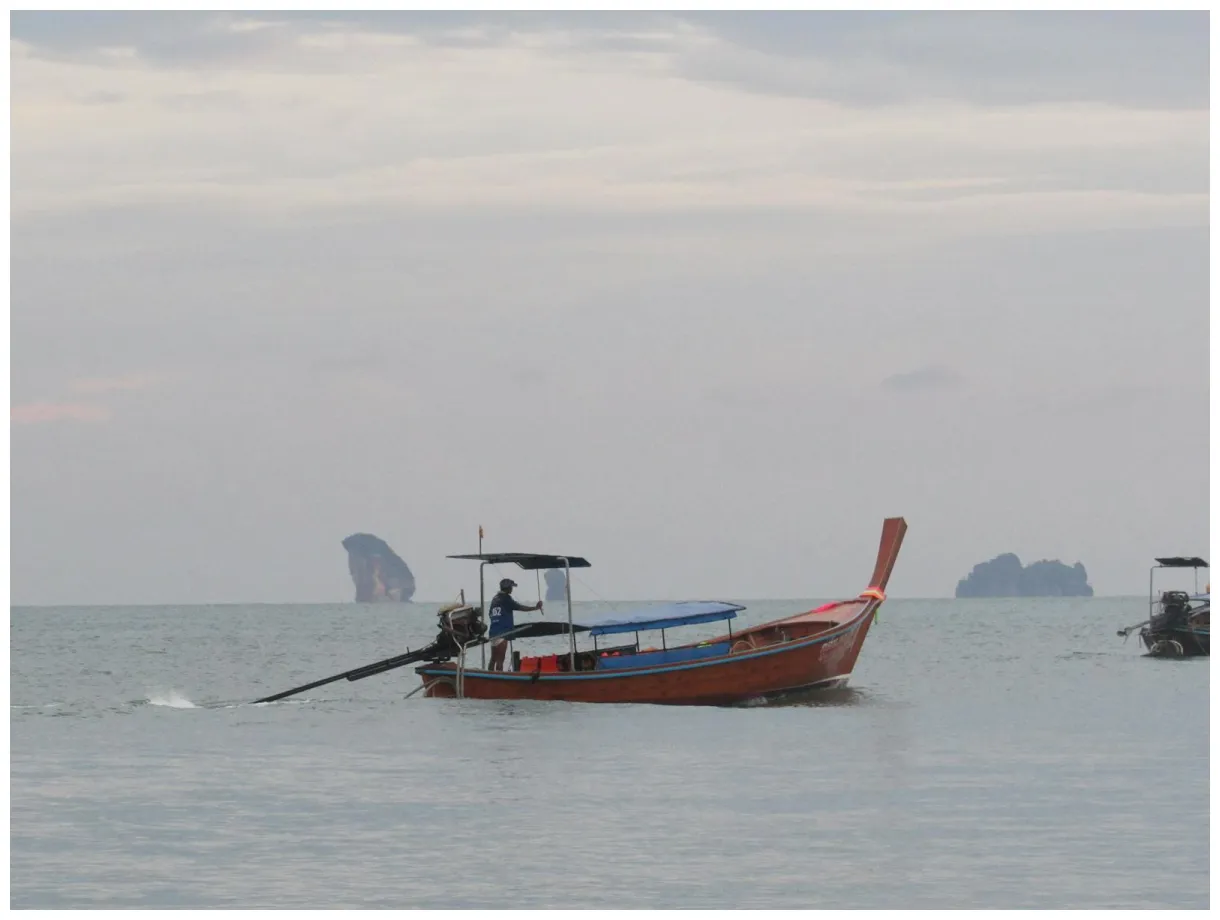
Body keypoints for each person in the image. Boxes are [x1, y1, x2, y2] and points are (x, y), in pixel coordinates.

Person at [487, 578, 542, 671]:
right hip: (502, 633)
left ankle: (488, 677)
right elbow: (520, 607)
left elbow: (490, 614)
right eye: (511, 587)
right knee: (500, 661)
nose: (512, 589)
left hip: (493, 633)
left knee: (493, 659)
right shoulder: (506, 598)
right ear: (508, 588)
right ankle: (498, 678)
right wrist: (535, 608)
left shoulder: (495, 599)